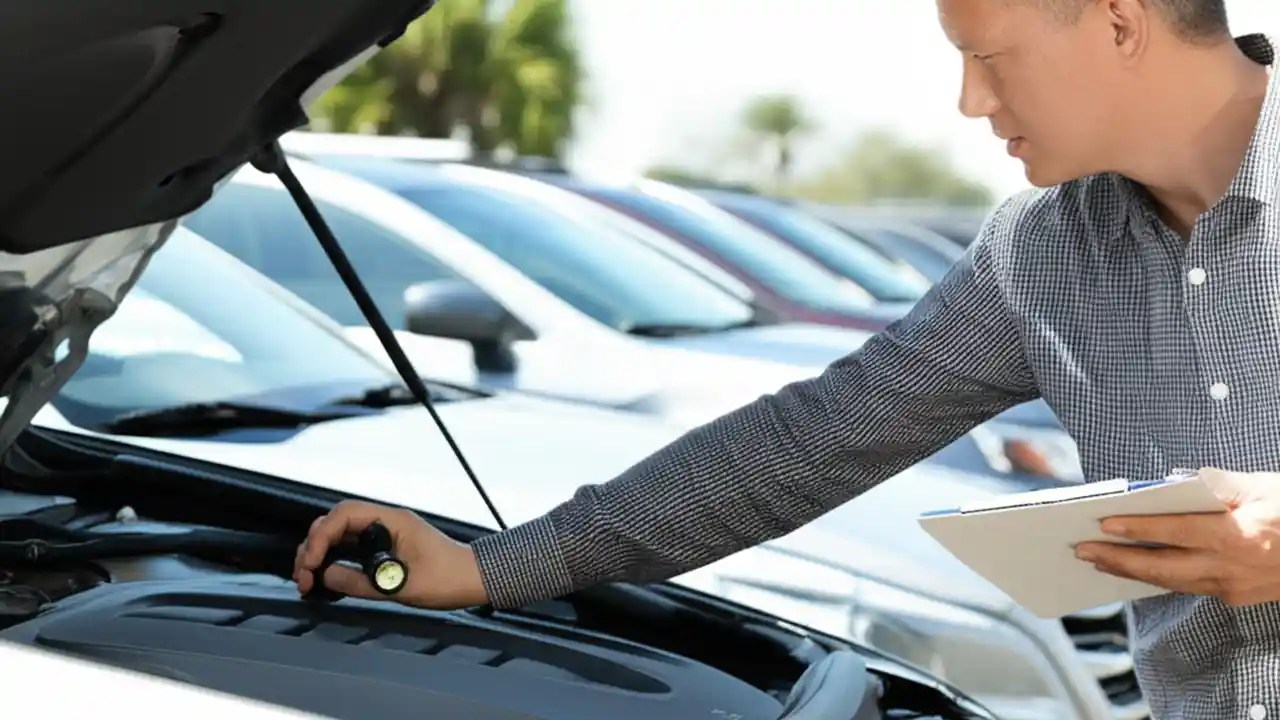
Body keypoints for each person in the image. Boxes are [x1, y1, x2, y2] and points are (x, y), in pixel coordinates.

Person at [295, 1, 1280, 717]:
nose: (968, 99)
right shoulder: (1039, 253)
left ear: (1116, 22)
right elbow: (806, 440)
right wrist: (484, 567)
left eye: (986, 55)